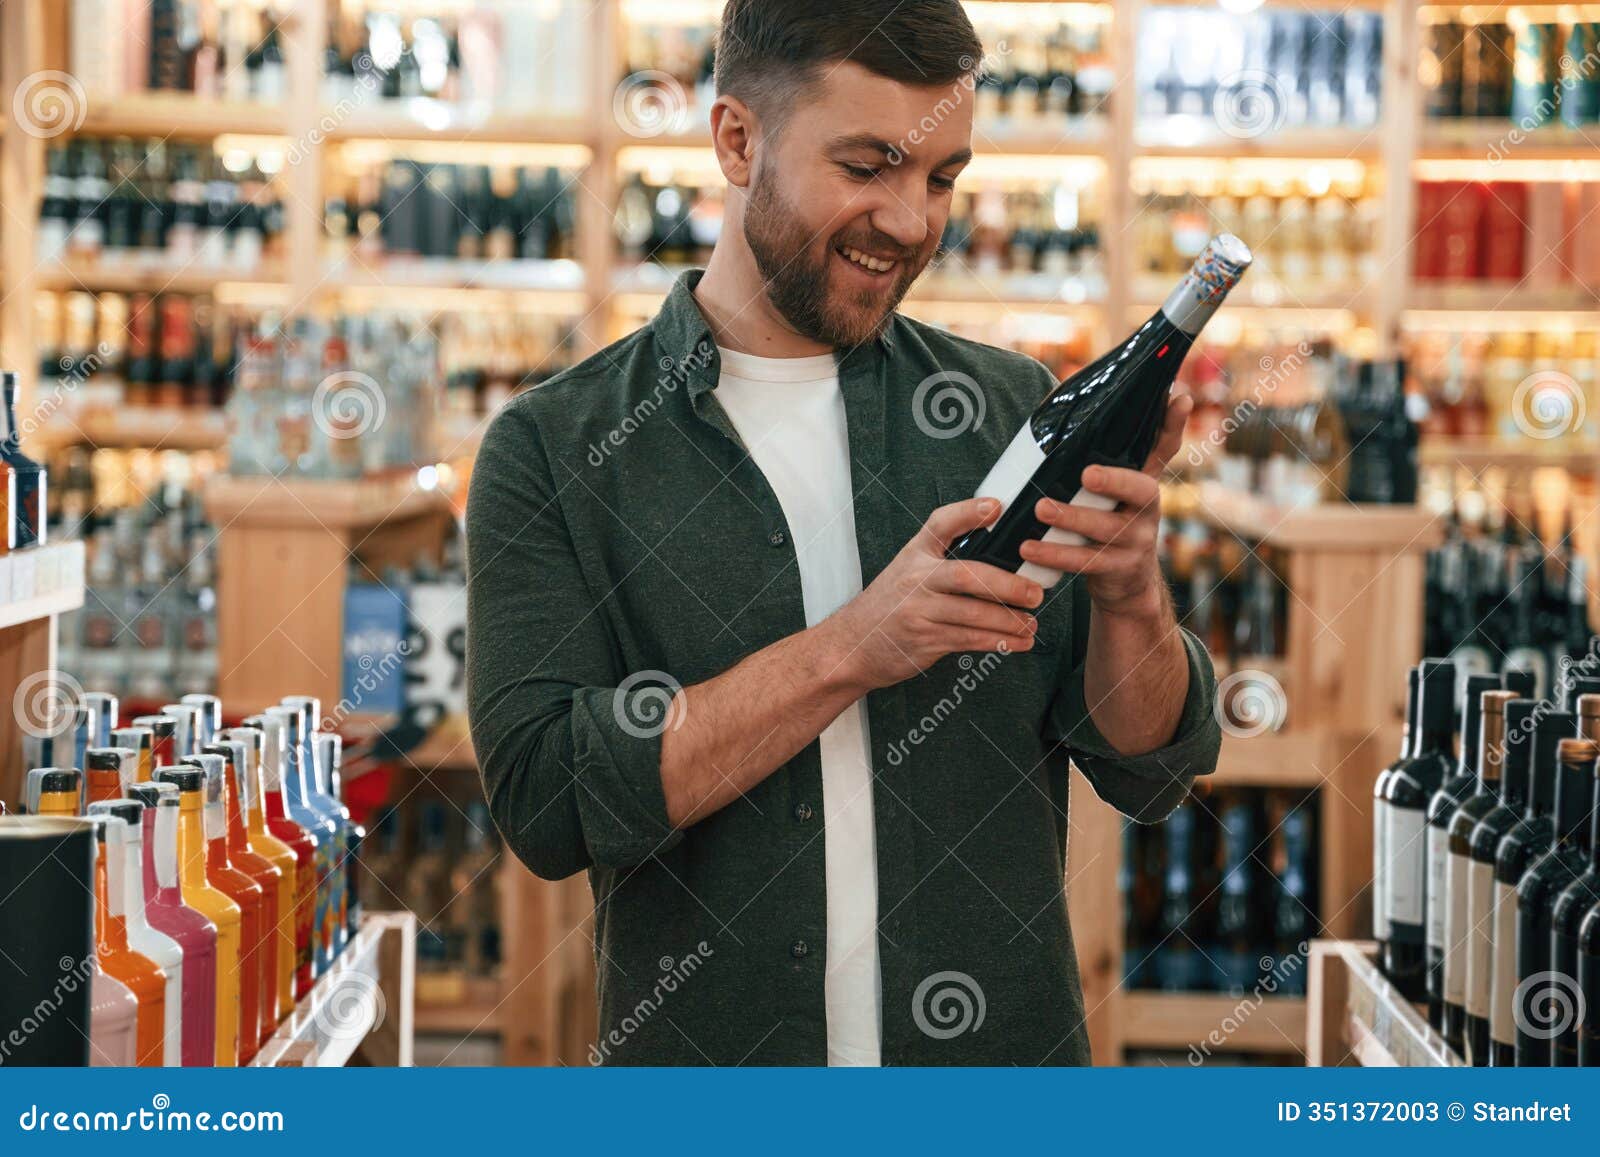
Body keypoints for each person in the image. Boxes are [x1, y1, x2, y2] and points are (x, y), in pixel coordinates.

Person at [466, 0, 1220, 1065]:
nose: (911, 222)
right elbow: (547, 803)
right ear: (737, 140)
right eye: (868, 167)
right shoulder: (557, 449)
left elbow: (1152, 770)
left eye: (941, 178)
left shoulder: (1011, 408)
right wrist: (850, 648)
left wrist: (1130, 594)